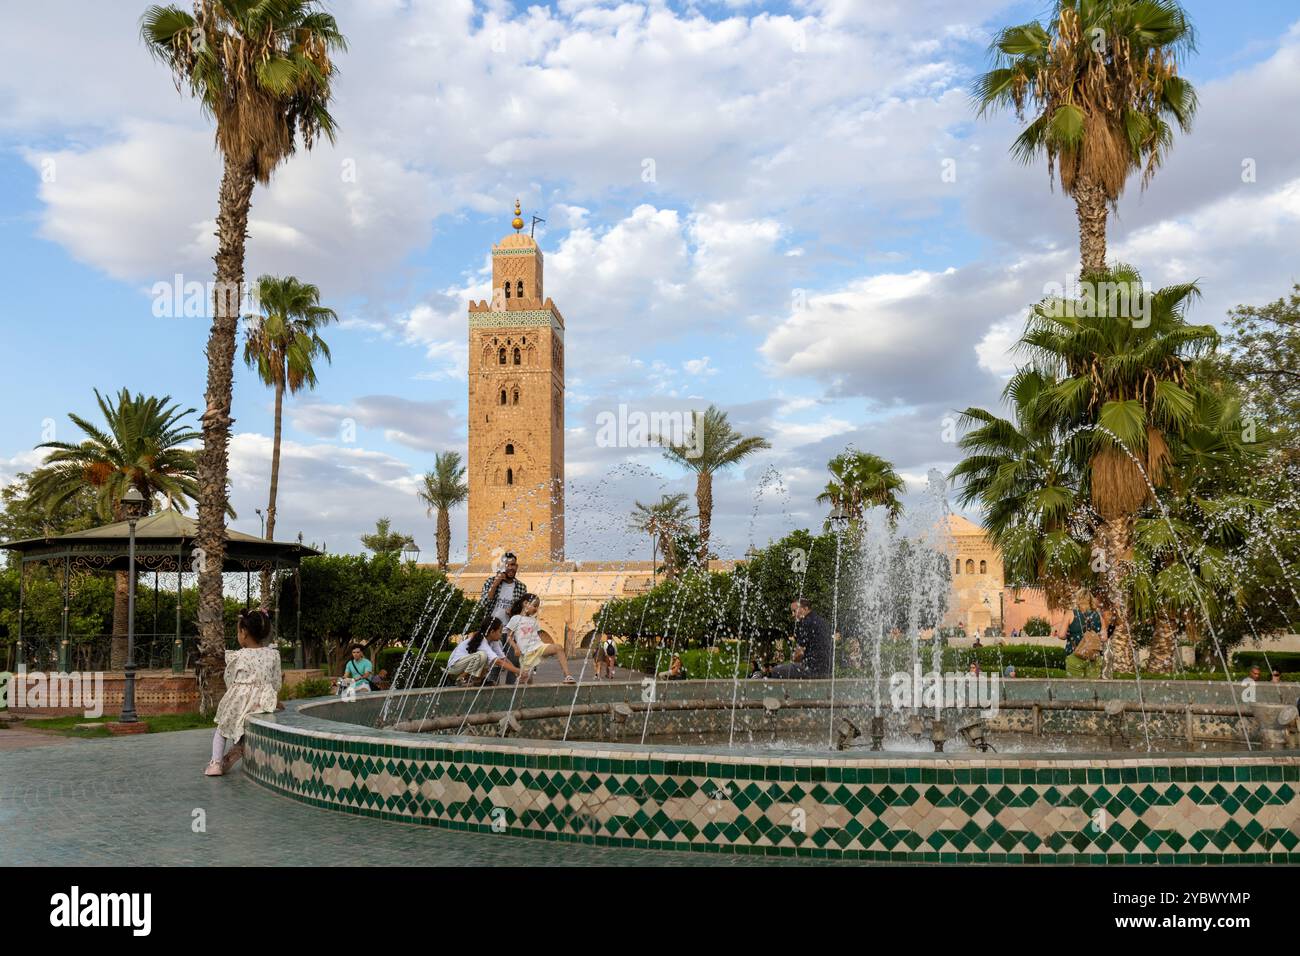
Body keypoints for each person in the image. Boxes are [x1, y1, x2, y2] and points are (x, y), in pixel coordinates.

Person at [206, 609, 281, 777]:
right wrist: (274, 697)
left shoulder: (237, 656)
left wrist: (234, 692)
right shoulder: (273, 655)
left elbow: (230, 678)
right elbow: (276, 681)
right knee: (247, 723)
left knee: (222, 729)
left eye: (238, 632)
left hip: (239, 697)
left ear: (244, 633)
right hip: (262, 699)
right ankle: (239, 744)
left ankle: (216, 763)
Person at [505, 593, 576, 684]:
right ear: (525, 603)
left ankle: (567, 676)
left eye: (537, 607)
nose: (536, 609)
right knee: (526, 680)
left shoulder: (534, 621)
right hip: (526, 654)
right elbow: (509, 636)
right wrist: (515, 648)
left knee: (558, 647)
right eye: (534, 606)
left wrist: (546, 649)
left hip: (538, 647)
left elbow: (538, 636)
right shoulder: (515, 619)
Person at [481, 552, 527, 684]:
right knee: (494, 663)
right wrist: (495, 585)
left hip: (510, 632)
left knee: (514, 662)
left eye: (513, 565)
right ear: (501, 566)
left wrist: (513, 612)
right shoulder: (490, 582)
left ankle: (509, 690)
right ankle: (491, 690)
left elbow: (522, 612)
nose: (511, 568)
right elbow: (483, 604)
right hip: (492, 631)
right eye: (508, 565)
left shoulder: (521, 587)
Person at [446, 619, 522, 686]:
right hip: (455, 666)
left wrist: (517, 672)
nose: (501, 634)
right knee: (483, 655)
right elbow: (498, 662)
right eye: (500, 632)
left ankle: (478, 681)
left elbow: (503, 659)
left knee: (488, 658)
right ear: (492, 632)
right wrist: (518, 671)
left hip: (464, 664)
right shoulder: (482, 641)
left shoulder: (493, 641)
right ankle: (461, 679)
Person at [770, 599, 832, 679]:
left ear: (805, 609)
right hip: (827, 669)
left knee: (776, 670)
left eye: (794, 611)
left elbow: (799, 653)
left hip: (812, 669)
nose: (793, 615)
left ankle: (788, 692)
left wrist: (792, 660)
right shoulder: (821, 621)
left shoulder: (805, 622)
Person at [1061, 590, 1105, 679]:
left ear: (1078, 599)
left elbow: (1061, 635)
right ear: (1090, 600)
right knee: (1093, 688)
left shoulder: (1070, 613)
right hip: (1094, 657)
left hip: (1075, 654)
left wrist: (1069, 635)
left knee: (1075, 688)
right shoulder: (1098, 615)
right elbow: (1104, 638)